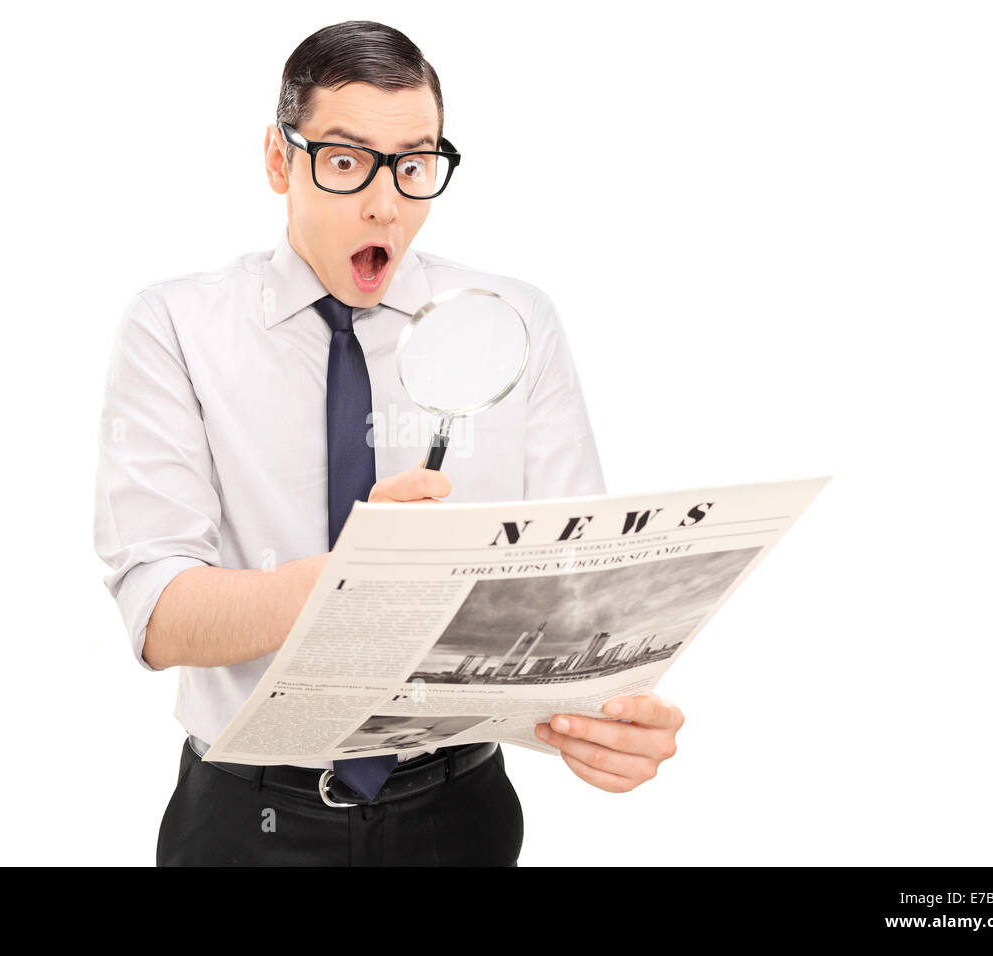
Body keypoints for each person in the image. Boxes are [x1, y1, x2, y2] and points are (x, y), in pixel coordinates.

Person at [93, 20, 684, 867]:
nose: (385, 203)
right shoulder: (177, 326)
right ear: (276, 159)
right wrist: (354, 578)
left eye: (414, 164)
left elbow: (569, 601)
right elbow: (158, 616)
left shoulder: (516, 320)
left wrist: (602, 727)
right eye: (344, 162)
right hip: (245, 821)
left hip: (461, 812)